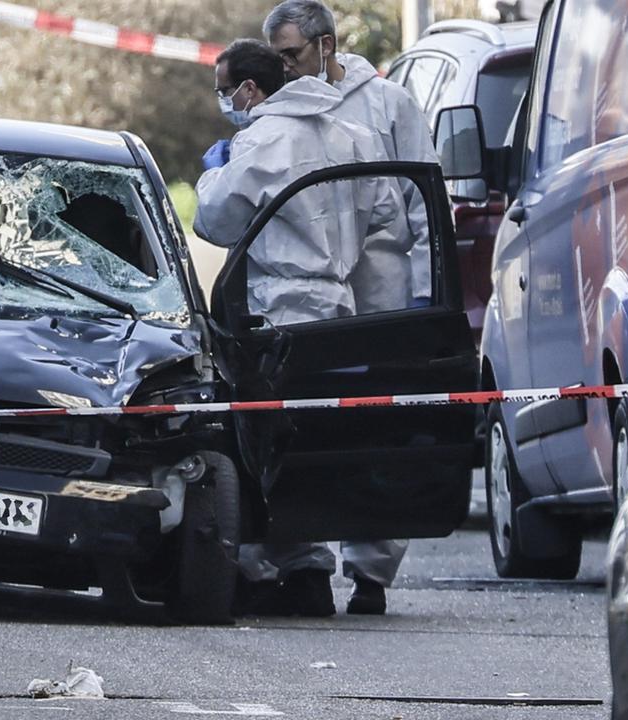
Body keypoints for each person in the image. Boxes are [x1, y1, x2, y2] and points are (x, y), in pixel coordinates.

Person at [193, 39, 403, 616]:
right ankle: (327, 573)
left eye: (224, 91)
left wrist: (216, 174)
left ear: (251, 90)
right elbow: (388, 210)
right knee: (323, 444)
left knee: (267, 447)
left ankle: (277, 574)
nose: (225, 102)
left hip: (278, 313)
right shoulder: (352, 133)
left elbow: (213, 220)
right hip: (341, 310)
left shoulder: (262, 139)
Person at [263, 0, 440, 615]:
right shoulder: (281, 112)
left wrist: (425, 293)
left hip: (380, 276)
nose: (287, 69)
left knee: (376, 419)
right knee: (305, 421)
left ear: (327, 44)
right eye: (279, 58)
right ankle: (305, 563)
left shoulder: (389, 105)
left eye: (293, 54)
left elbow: (423, 198)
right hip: (311, 281)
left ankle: (372, 571)